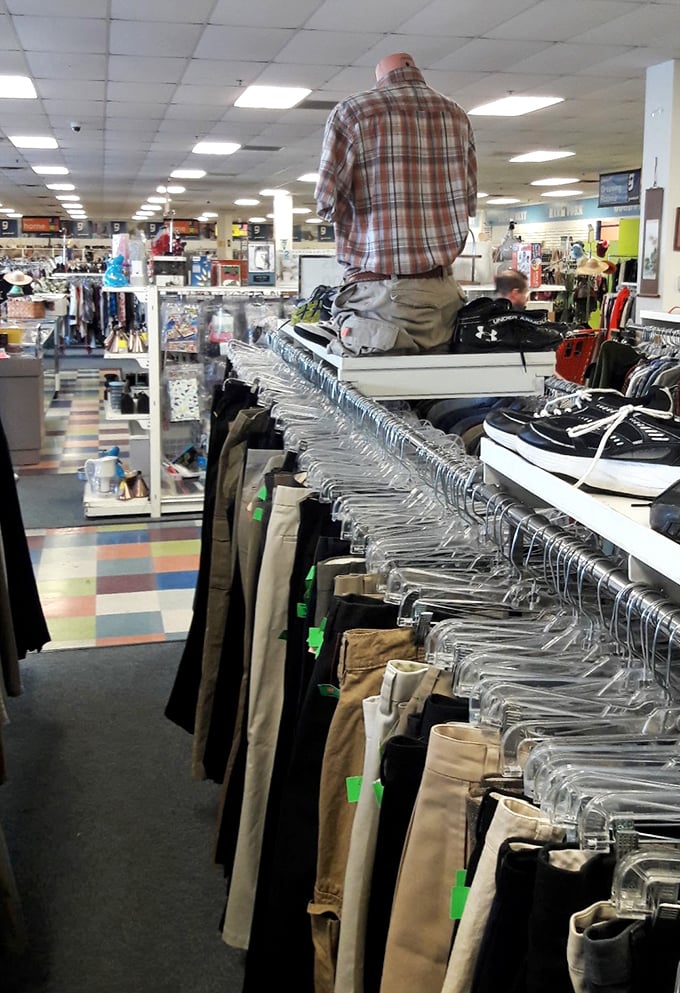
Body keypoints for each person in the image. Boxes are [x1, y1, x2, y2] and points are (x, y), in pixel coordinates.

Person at [314, 52, 476, 356]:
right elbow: (468, 199)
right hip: (445, 295)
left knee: (380, 399)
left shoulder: (353, 113)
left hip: (382, 298)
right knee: (439, 397)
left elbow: (327, 203)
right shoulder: (457, 115)